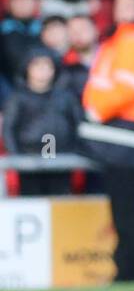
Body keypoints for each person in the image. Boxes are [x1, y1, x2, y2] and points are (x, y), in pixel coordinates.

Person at [78, 0, 134, 282]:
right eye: (118, 5)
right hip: (130, 135)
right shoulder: (122, 39)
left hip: (125, 135)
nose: (122, 10)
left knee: (125, 207)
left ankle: (129, 271)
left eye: (129, 5)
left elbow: (127, 87)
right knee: (133, 204)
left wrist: (95, 112)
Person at [3, 50, 82, 195]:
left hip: (62, 159)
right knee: (33, 201)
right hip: (29, 160)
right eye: (37, 65)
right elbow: (9, 129)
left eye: (47, 66)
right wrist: (17, 157)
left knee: (61, 202)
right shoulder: (18, 98)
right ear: (27, 68)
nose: (42, 70)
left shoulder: (66, 97)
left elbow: (78, 125)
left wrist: (74, 150)